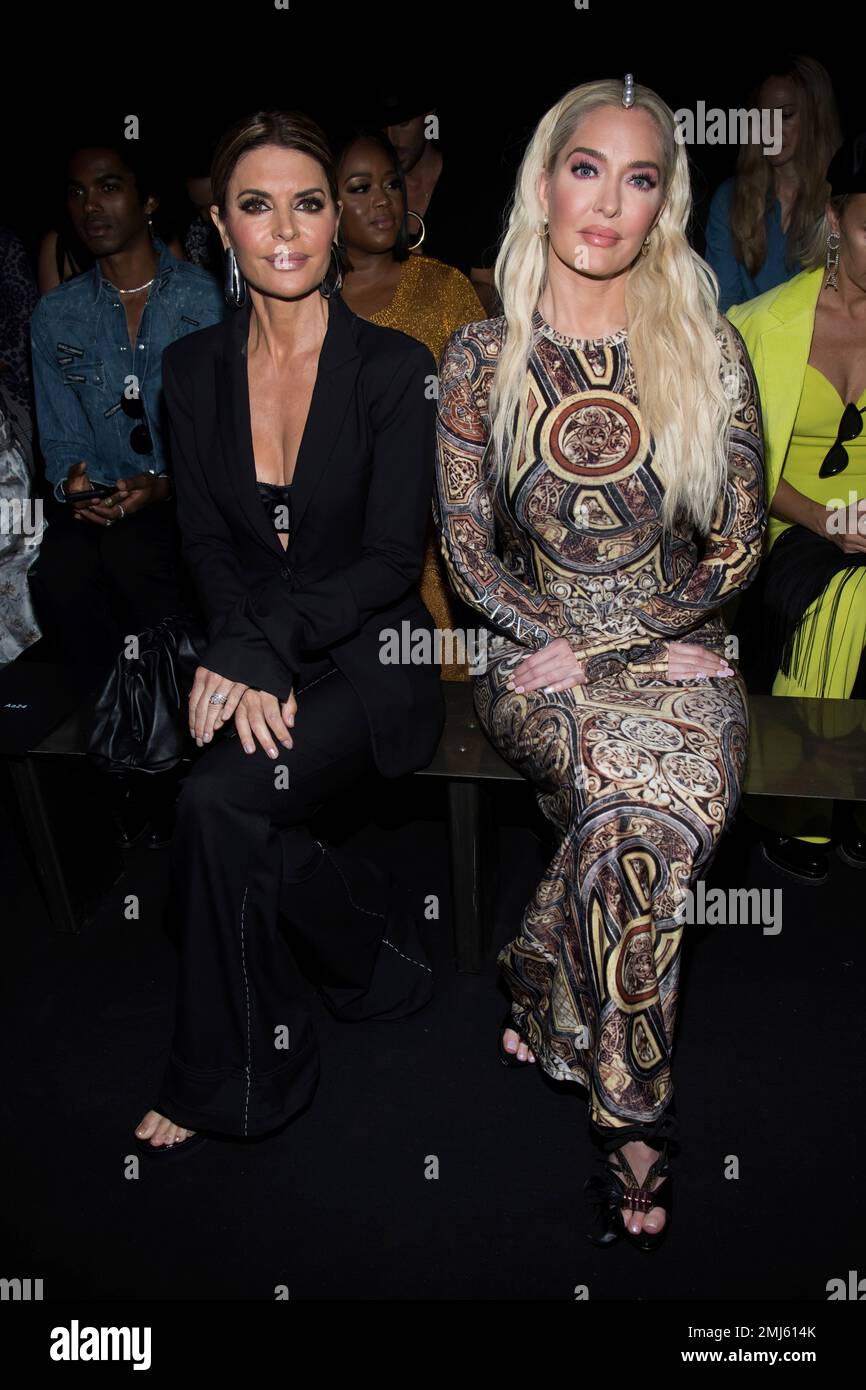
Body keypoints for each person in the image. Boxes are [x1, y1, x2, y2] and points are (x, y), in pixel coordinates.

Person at [434, 77, 765, 1248]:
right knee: (641, 810)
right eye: (586, 168)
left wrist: (628, 640)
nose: (607, 202)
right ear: (541, 180)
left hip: (677, 651)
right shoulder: (479, 357)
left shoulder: (706, 346)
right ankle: (636, 1129)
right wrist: (556, 644)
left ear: (662, 204)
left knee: (643, 821)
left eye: (639, 180)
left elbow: (733, 545)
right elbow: (469, 556)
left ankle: (542, 967)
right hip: (534, 655)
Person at [133, 110, 445, 1158]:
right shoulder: (187, 372)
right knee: (238, 816)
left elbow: (387, 561)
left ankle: (233, 1072)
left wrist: (257, 645)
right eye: (255, 204)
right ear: (219, 223)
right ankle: (368, 967)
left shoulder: (395, 371)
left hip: (370, 655)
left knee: (217, 798)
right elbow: (206, 546)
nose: (286, 228)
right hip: (248, 644)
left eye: (308, 203)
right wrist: (242, 640)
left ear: (333, 219)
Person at [29, 137, 225, 677]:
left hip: (192, 498)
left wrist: (164, 482)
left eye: (109, 187)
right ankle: (112, 722)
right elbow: (62, 437)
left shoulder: (207, 301)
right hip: (104, 503)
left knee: (139, 559)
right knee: (57, 574)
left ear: (149, 201)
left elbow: (228, 435)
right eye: (77, 193)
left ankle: (181, 724)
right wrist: (74, 483)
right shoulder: (55, 316)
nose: (91, 206)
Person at [729, 131, 866, 882]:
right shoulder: (761, 324)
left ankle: (826, 801)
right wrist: (825, 520)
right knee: (849, 597)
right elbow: (734, 464)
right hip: (790, 526)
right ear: (837, 222)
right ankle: (807, 803)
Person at [334, 125, 485, 679]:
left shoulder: (444, 288)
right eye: (359, 187)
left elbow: (484, 416)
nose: (381, 200)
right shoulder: (304, 300)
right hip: (334, 535)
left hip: (436, 524)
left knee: (447, 701)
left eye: (391, 184)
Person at [704, 54, 841, 312]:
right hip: (747, 347)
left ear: (815, 120)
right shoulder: (730, 199)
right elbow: (722, 307)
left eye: (786, 115)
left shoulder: (840, 204)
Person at [379, 91, 505, 314]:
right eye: (383, 128)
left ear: (429, 121)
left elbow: (491, 294)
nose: (392, 139)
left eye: (403, 125)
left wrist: (434, 280)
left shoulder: (473, 189)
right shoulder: (370, 192)